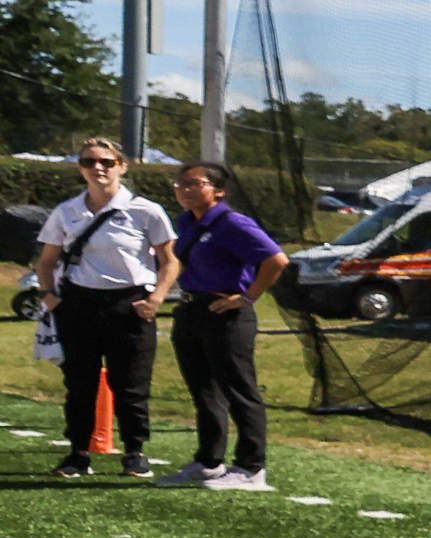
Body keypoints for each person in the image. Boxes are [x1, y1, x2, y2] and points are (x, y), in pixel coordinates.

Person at [30, 140, 173, 480]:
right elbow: (46, 261)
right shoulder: (66, 211)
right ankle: (78, 453)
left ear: (122, 166)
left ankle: (135, 452)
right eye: (89, 161)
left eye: (107, 162)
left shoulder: (146, 210)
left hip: (130, 304)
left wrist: (156, 298)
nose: (98, 168)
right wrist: (50, 297)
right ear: (81, 168)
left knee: (131, 383)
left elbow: (169, 261)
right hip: (79, 303)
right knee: (80, 383)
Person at [163, 161, 286, 491]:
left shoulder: (232, 222)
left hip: (226, 314)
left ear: (218, 191)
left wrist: (247, 297)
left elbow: (276, 260)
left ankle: (251, 467)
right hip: (192, 309)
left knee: (239, 389)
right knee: (204, 390)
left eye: (195, 183)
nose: (185, 190)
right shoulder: (186, 221)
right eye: (180, 184)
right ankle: (208, 462)